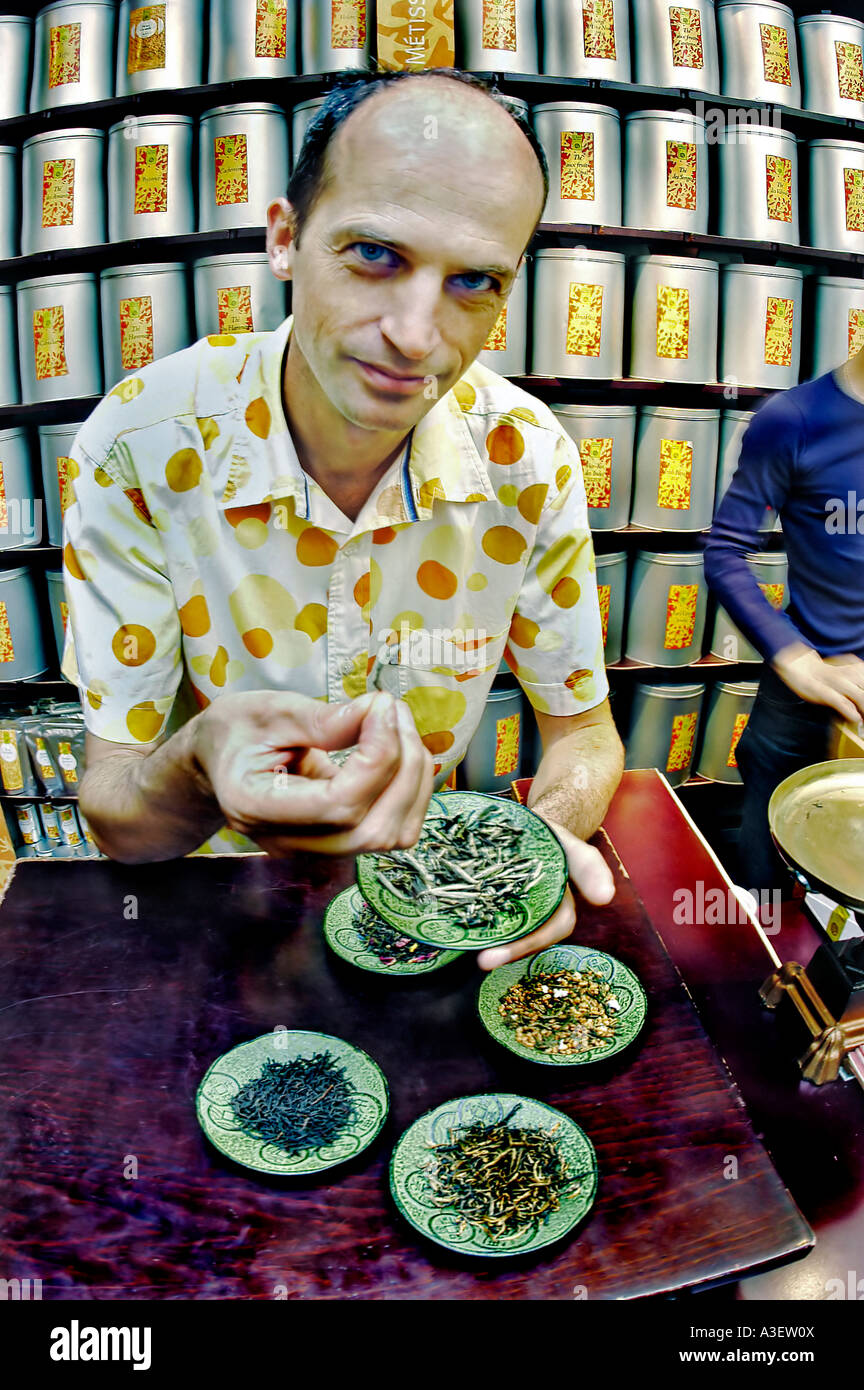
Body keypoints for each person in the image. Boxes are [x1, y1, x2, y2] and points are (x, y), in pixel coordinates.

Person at [64, 69, 624, 968]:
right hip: (212, 904)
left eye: (473, 280)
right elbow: (120, 818)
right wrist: (199, 761)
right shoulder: (141, 441)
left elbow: (583, 732)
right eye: (375, 255)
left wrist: (533, 852)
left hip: (424, 909)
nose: (415, 334)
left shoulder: (528, 459)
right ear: (286, 238)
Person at [704, 347, 864, 890]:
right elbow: (726, 551)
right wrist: (793, 655)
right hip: (809, 692)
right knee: (768, 871)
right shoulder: (793, 419)